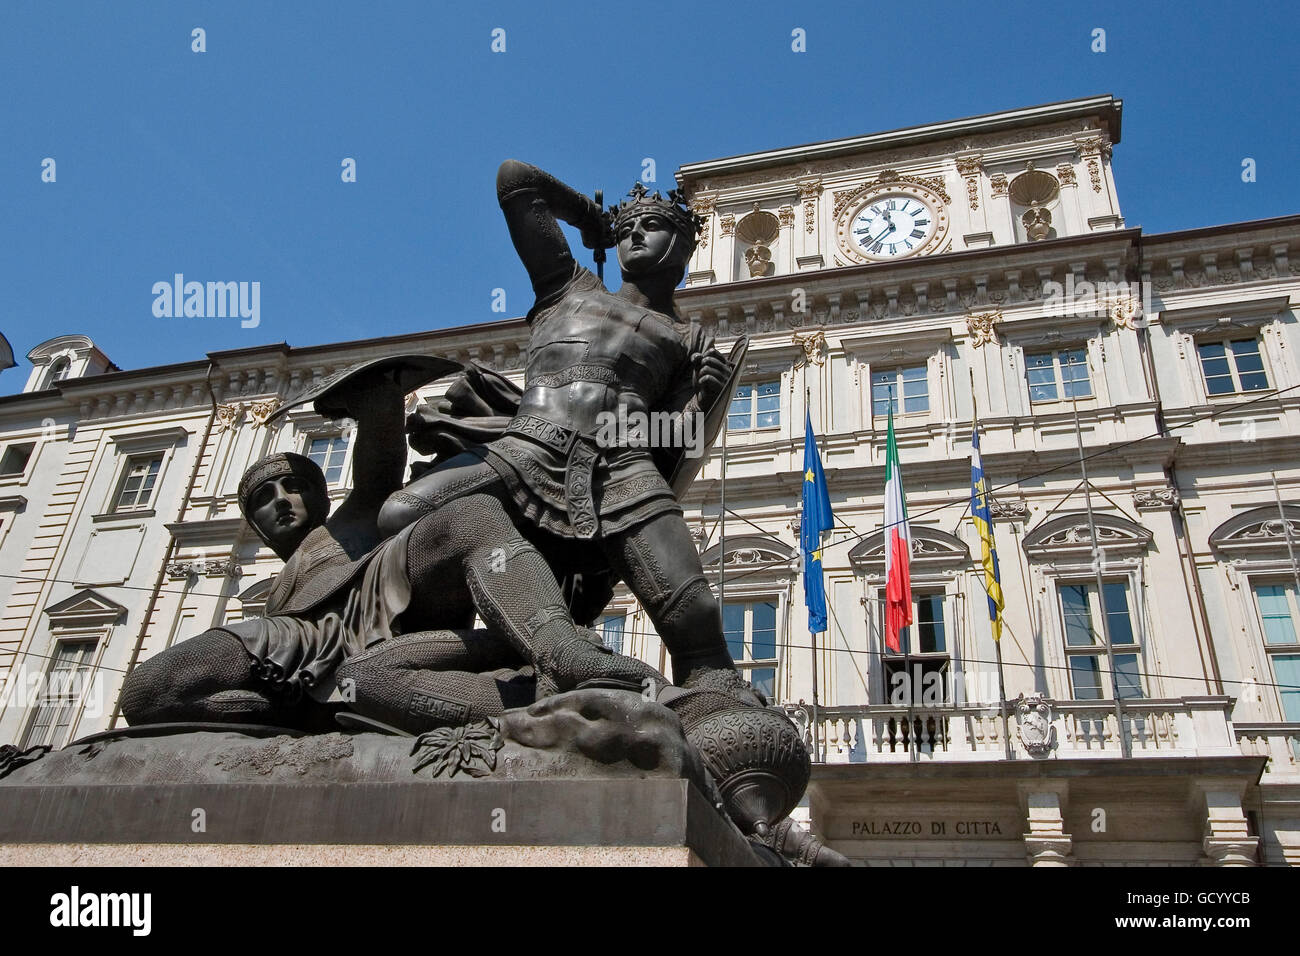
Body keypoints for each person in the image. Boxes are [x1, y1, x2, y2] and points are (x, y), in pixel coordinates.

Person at [378, 160, 760, 706]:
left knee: (693, 612)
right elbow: (516, 181)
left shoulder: (688, 338)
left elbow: (677, 443)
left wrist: (700, 398)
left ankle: (717, 702)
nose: (633, 235)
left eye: (649, 227)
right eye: (626, 229)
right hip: (526, 446)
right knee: (400, 514)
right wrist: (589, 218)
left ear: (681, 247)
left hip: (625, 465)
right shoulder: (566, 285)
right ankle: (504, 636)